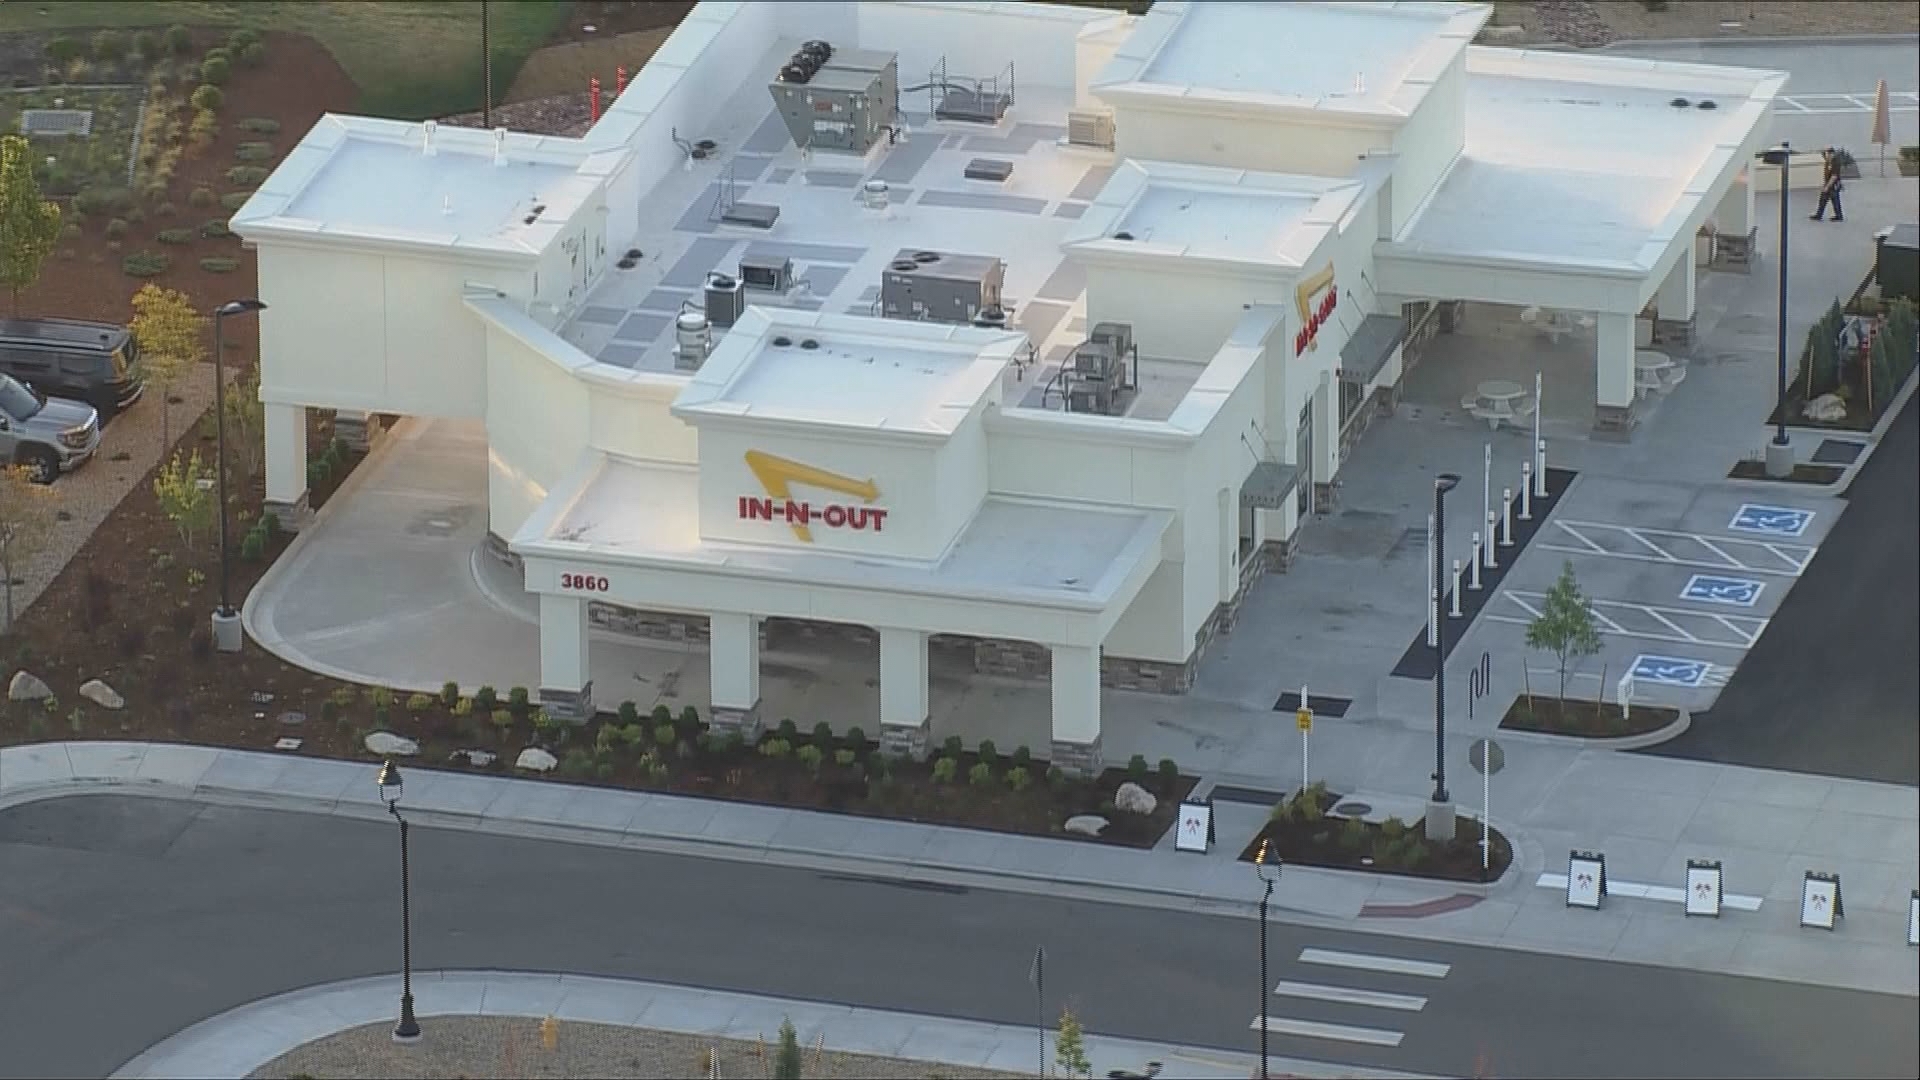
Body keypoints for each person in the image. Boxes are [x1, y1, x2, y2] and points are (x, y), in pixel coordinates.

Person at [1811, 147, 1845, 222]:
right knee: (1823, 199)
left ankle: (1838, 216)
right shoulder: (1828, 162)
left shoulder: (1835, 162)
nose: (1826, 156)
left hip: (1834, 185)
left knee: (1835, 200)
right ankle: (1819, 215)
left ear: (1831, 154)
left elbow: (1834, 176)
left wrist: (1827, 186)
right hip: (1829, 184)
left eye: (1827, 154)